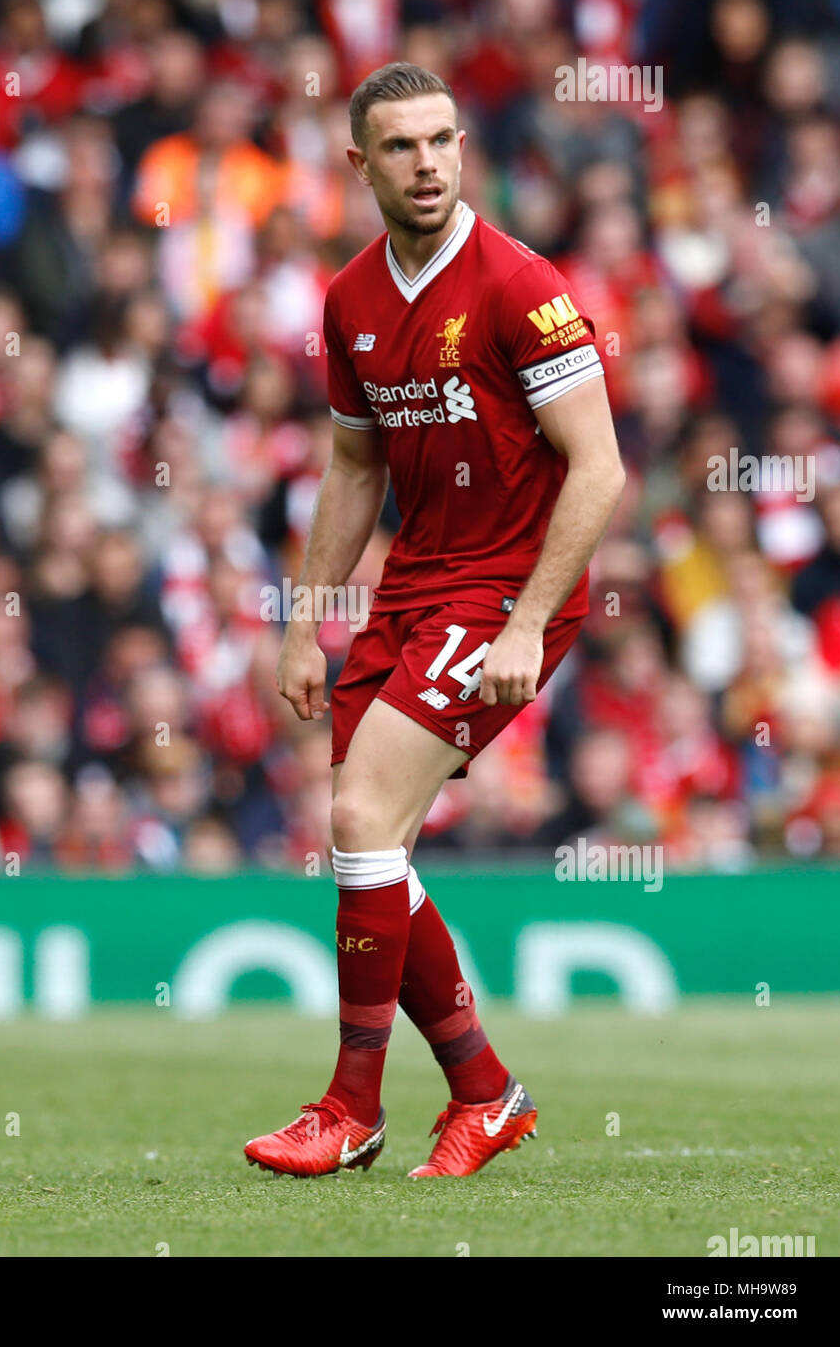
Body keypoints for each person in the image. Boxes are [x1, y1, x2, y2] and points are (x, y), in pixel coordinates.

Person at [243, 63, 625, 1180]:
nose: (428, 164)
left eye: (444, 140)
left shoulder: (520, 285)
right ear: (359, 164)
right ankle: (486, 1091)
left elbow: (599, 471)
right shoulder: (351, 298)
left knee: (359, 813)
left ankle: (349, 1106)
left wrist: (525, 623)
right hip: (412, 588)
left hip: (505, 588)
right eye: (402, 147)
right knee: (374, 851)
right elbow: (353, 466)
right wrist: (302, 621)